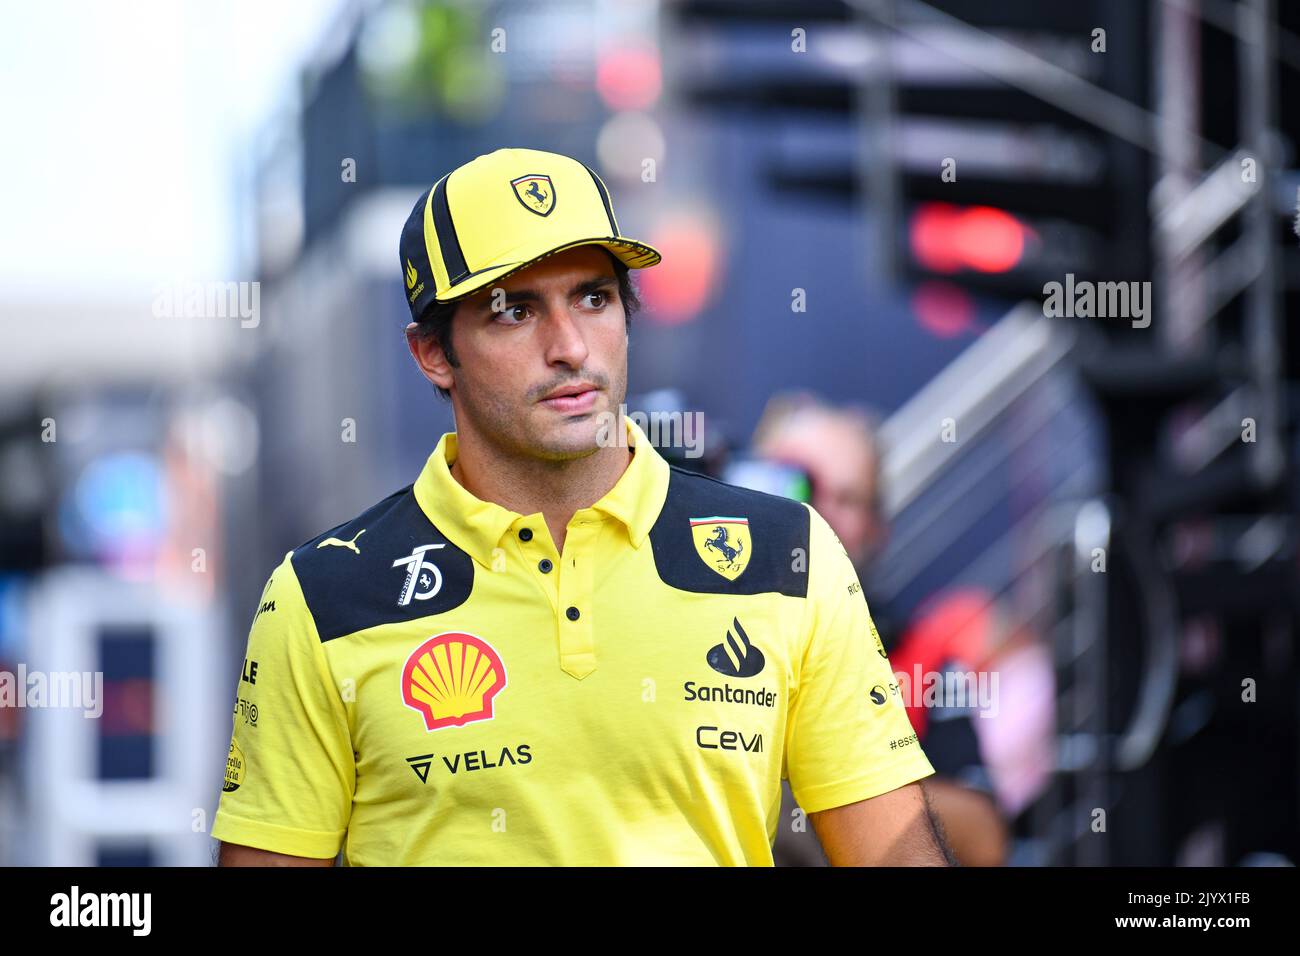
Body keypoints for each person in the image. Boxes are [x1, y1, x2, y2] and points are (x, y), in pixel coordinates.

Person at [212, 147, 949, 866]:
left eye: (593, 298)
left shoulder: (789, 554)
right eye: (515, 311)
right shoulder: (322, 597)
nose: (569, 346)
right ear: (433, 353)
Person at [751, 392, 1008, 866]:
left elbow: (983, 838)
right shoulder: (691, 627)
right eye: (799, 484)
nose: (817, 511)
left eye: (846, 498)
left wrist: (830, 764)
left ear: (875, 529)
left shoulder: (920, 657)